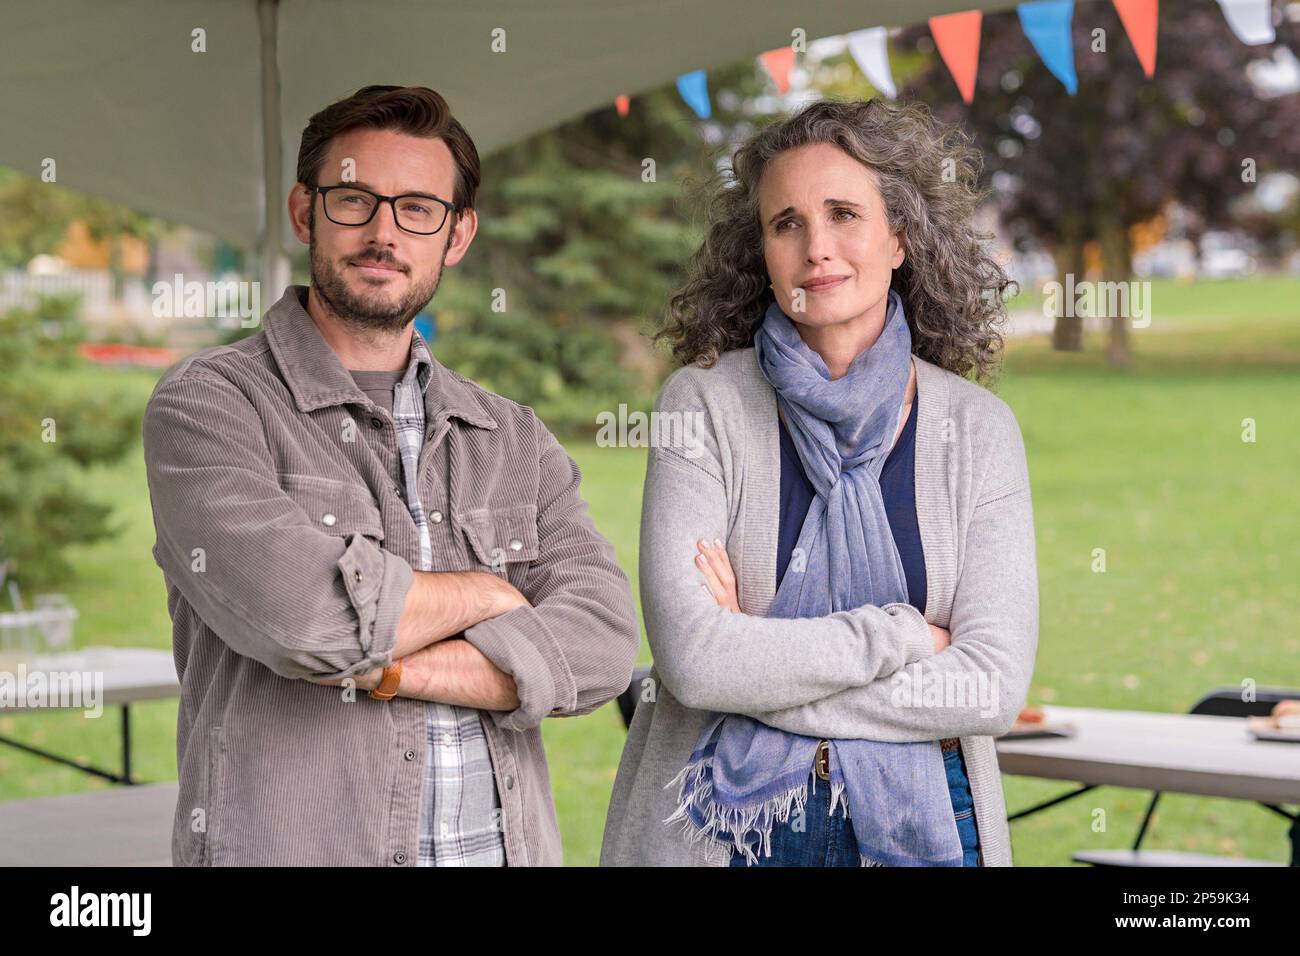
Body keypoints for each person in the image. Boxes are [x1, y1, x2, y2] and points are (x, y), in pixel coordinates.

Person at [143, 85, 638, 866]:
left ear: (458, 233)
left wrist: (385, 668)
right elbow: (306, 620)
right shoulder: (210, 406)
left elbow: (605, 645)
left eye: (417, 208)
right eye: (354, 200)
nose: (383, 233)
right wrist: (491, 595)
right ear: (305, 212)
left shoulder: (511, 434)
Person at [602, 98, 1039, 867]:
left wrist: (758, 666)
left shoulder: (977, 431)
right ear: (761, 250)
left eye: (844, 213)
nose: (817, 249)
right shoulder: (701, 407)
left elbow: (987, 688)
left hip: (930, 825)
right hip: (720, 834)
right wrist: (906, 636)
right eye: (787, 223)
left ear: (899, 237)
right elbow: (696, 664)